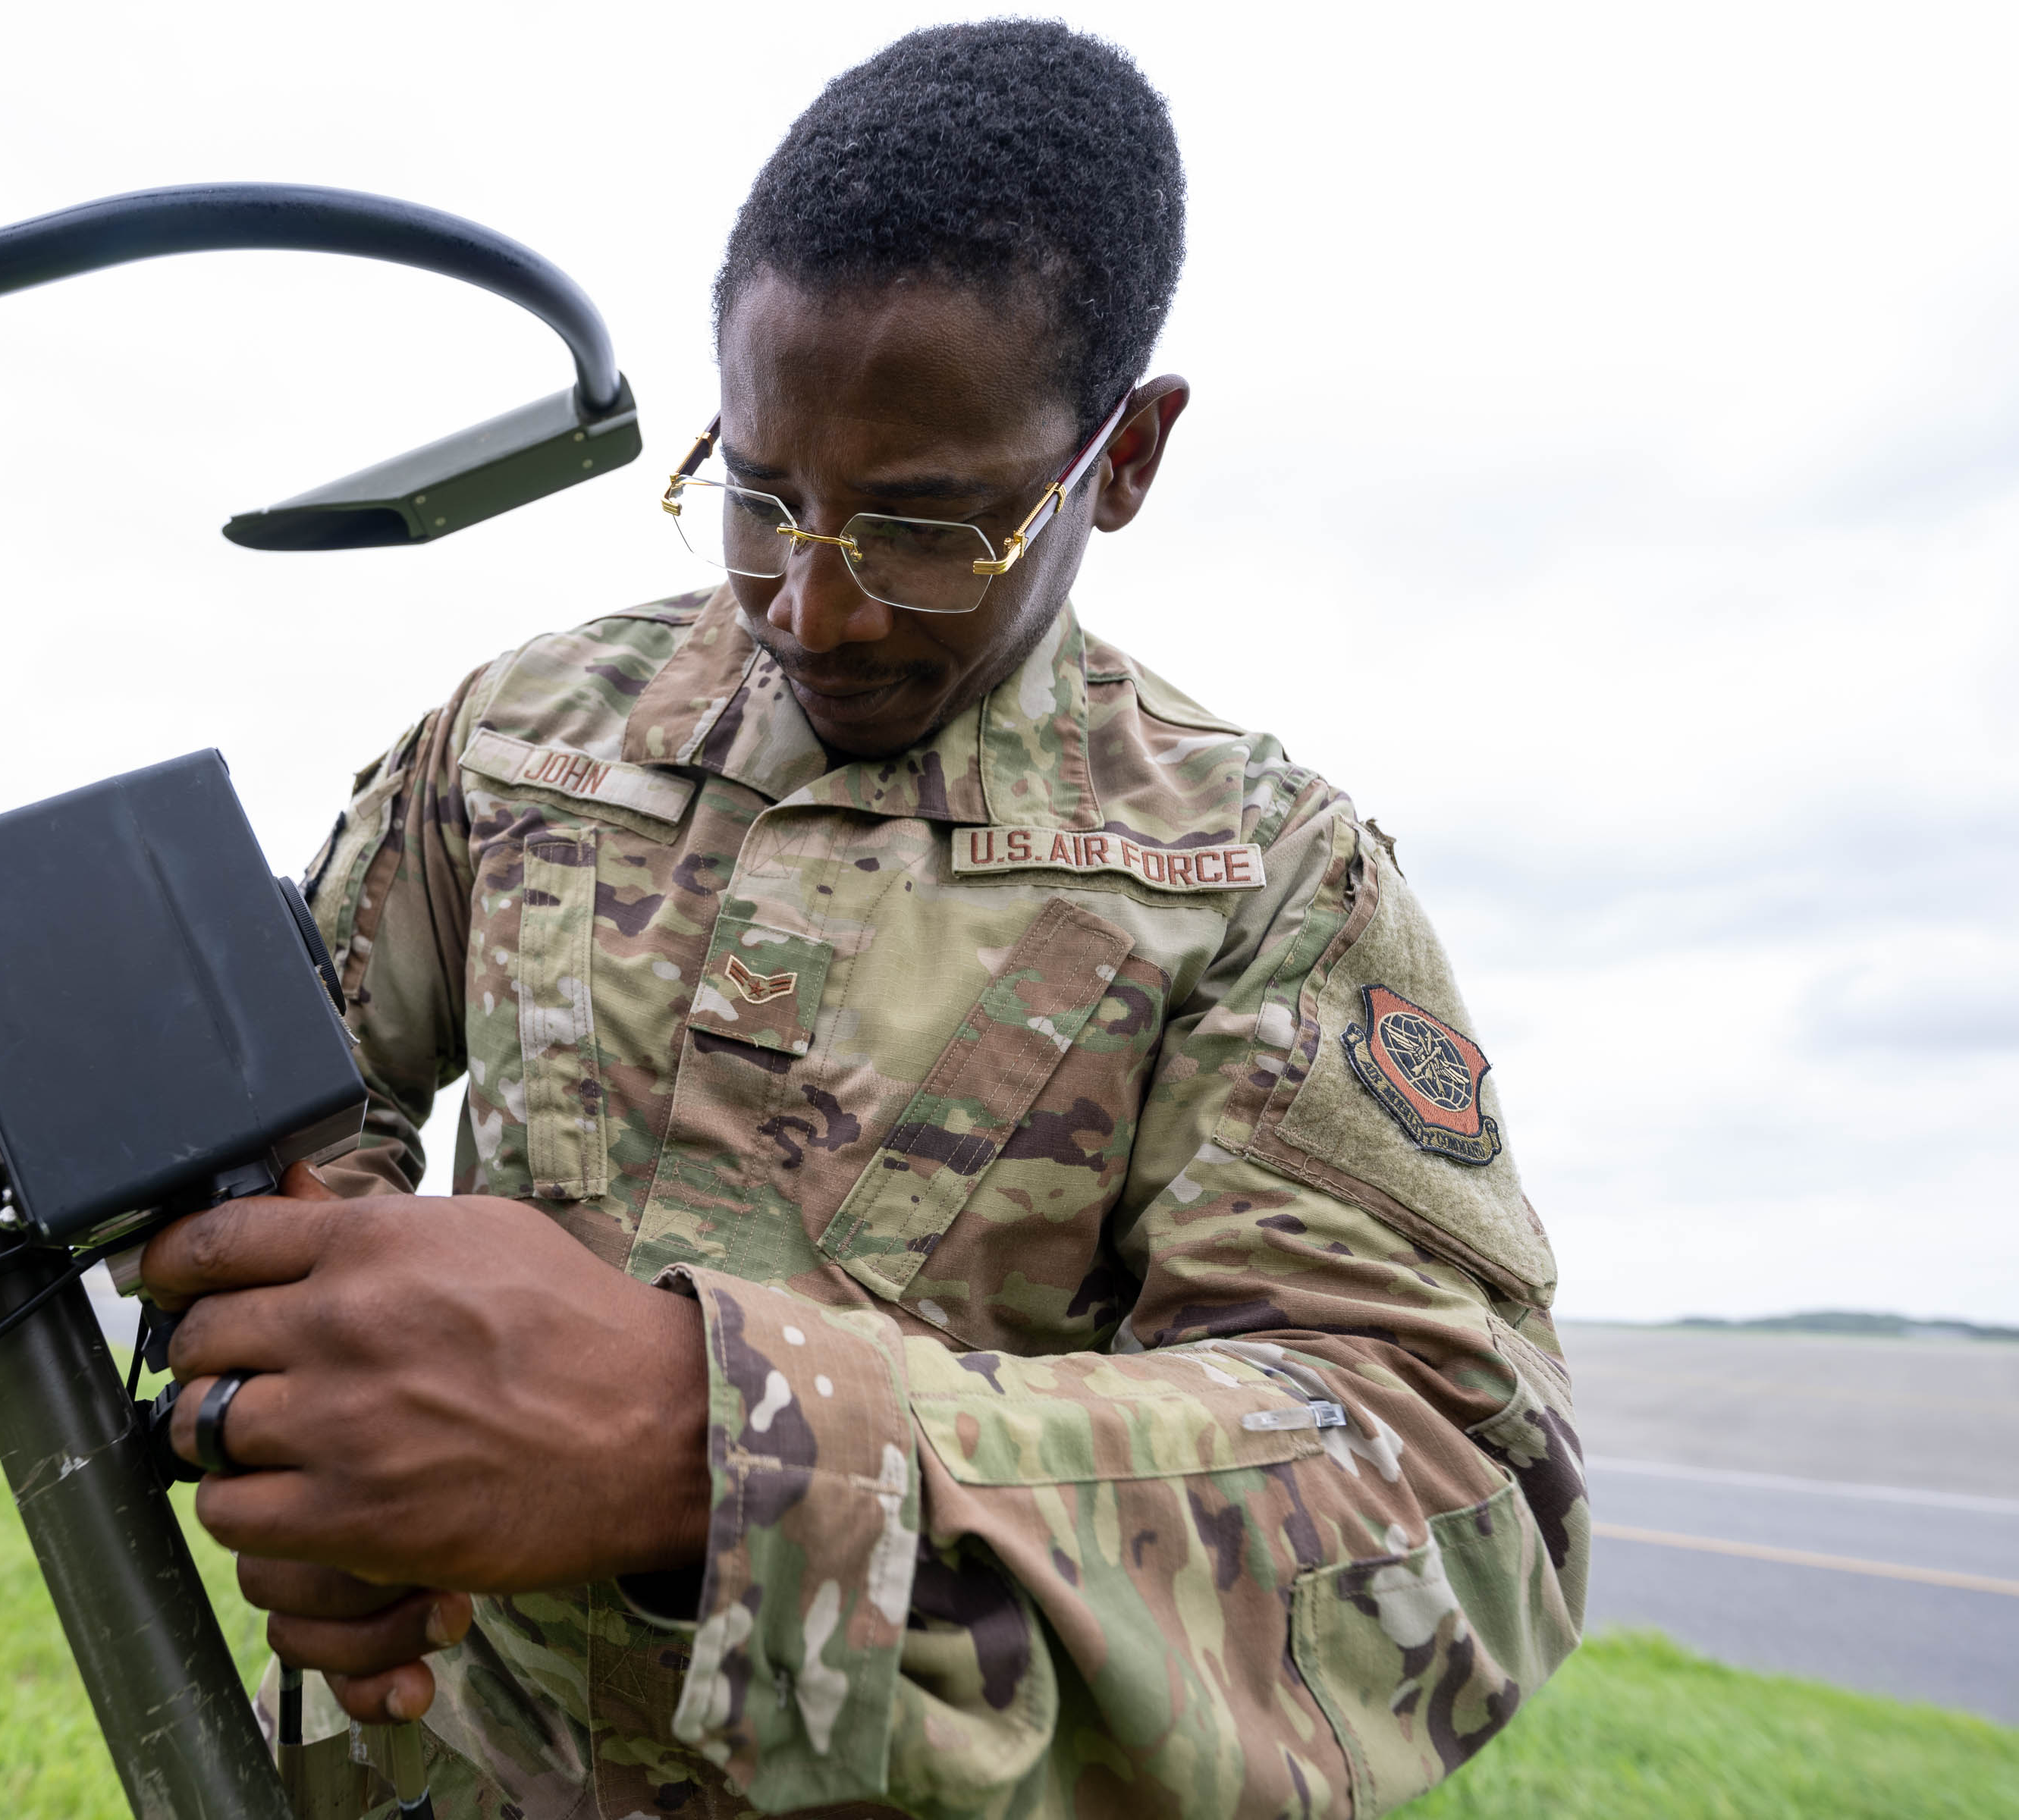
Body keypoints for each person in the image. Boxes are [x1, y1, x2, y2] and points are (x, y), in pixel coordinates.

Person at [143, 20, 1585, 1819]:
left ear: (1123, 458)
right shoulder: (524, 735)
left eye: (925, 527)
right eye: (759, 496)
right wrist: (301, 1411)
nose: (812, 610)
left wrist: (717, 1442)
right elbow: (286, 1102)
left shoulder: (1263, 883)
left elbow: (1458, 1493)